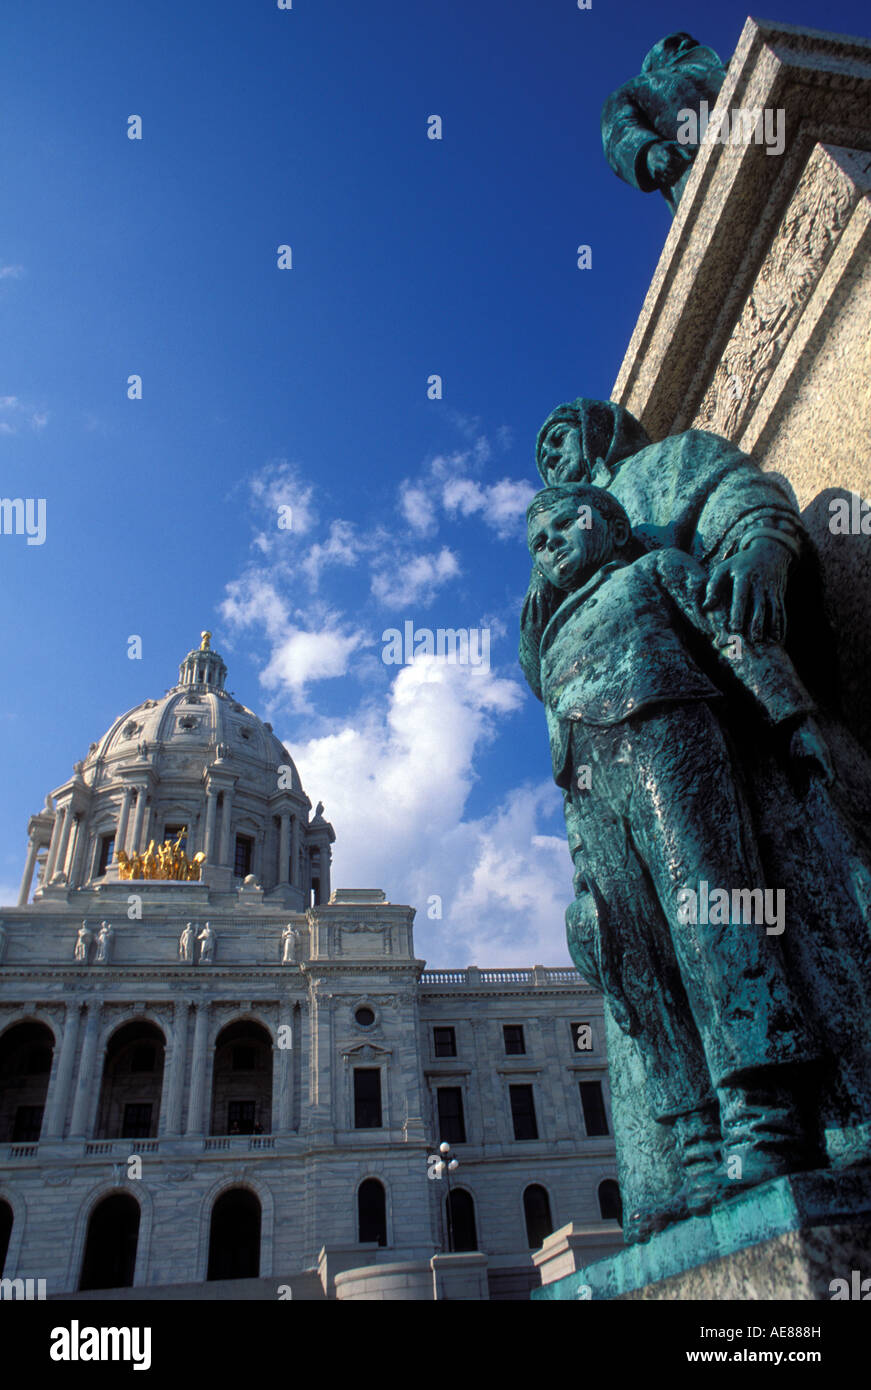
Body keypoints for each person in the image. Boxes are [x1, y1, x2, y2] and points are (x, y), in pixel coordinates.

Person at [601, 32, 726, 213]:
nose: (685, 43)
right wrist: (648, 152)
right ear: (655, 61)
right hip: (694, 166)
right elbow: (620, 131)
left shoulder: (716, 68)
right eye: (674, 43)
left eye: (687, 40)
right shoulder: (635, 87)